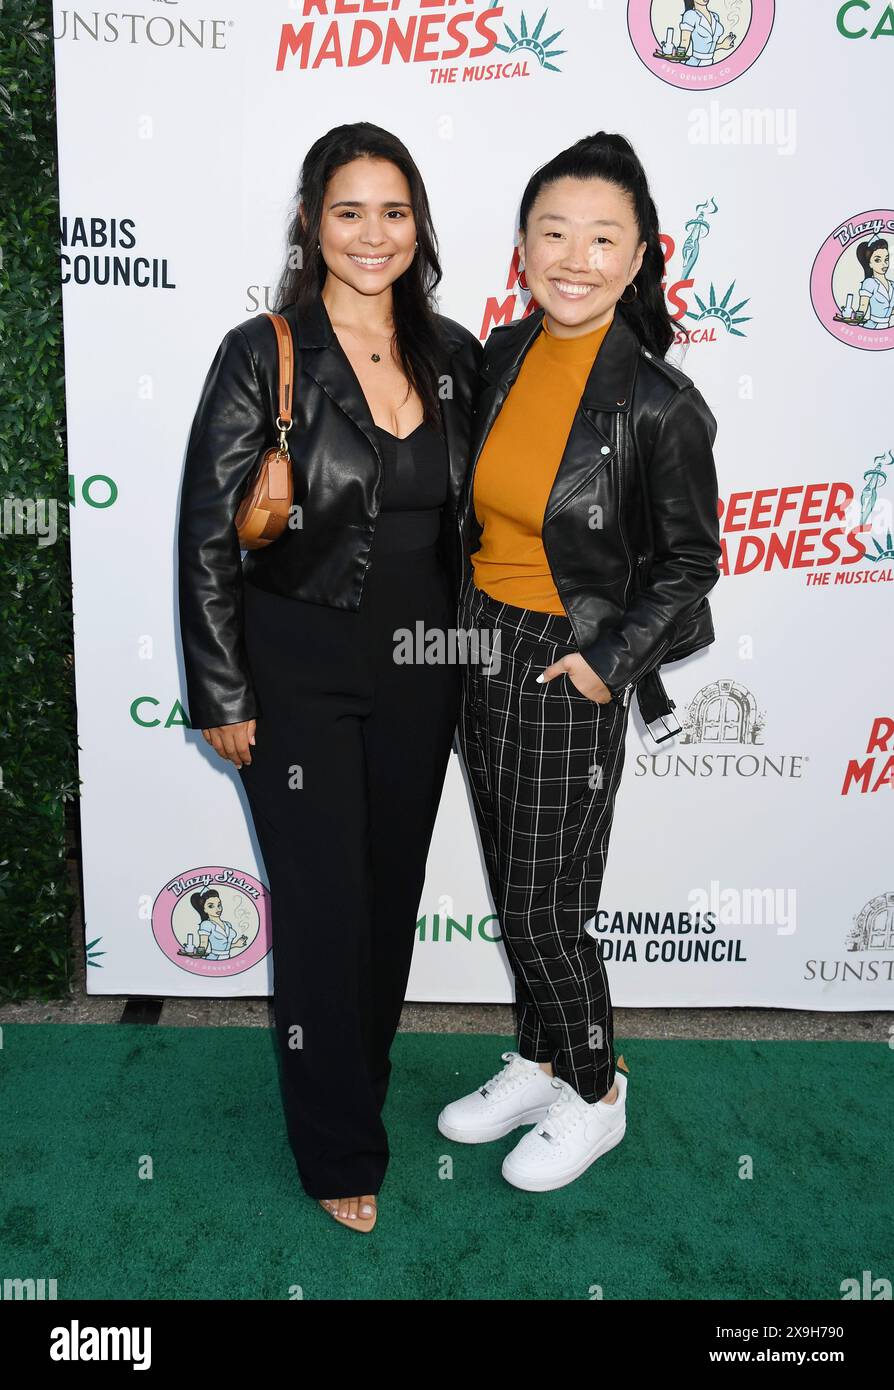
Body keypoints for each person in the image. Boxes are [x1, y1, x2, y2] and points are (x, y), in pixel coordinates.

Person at [177, 123, 482, 1232]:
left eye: (393, 211)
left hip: (427, 667)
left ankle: (361, 1086)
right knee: (321, 908)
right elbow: (210, 530)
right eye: (348, 210)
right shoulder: (265, 350)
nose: (372, 233)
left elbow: (491, 515)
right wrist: (223, 691)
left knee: (388, 901)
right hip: (296, 663)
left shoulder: (455, 354)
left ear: (420, 225)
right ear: (312, 222)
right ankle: (337, 1145)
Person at [440, 131, 722, 1192]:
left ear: (640, 254)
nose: (575, 254)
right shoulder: (503, 352)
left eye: (603, 237)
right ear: (522, 245)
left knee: (546, 900)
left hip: (571, 657)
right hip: (477, 634)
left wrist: (610, 658)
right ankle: (542, 1055)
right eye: (553, 231)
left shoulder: (658, 402)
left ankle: (597, 1088)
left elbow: (692, 560)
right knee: (520, 878)